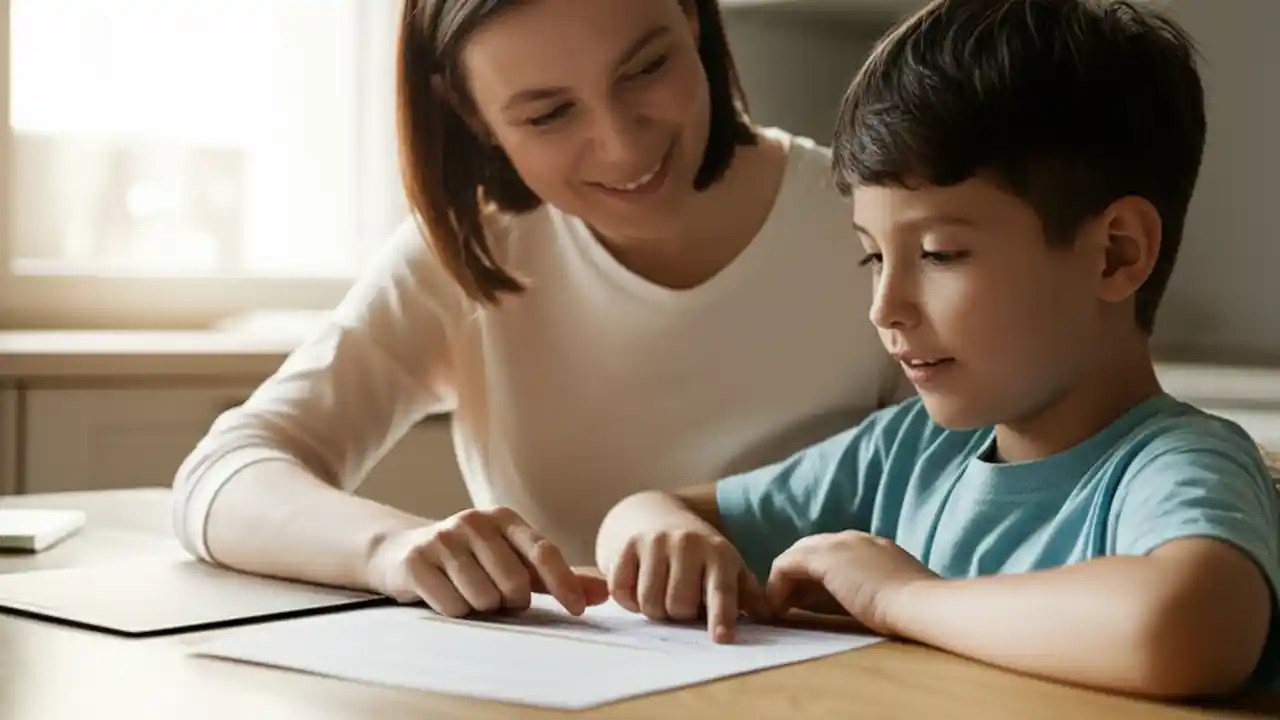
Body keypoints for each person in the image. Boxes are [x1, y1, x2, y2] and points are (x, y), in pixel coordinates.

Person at [596, 0, 1280, 698]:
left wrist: (900, 597)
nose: (884, 306)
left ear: (1115, 254)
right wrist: (660, 537)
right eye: (873, 257)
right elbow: (652, 510)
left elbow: (1184, 628)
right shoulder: (907, 453)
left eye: (939, 254)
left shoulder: (1180, 466)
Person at [172, 0, 906, 620]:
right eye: (549, 114)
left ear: (690, 16)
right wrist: (391, 550)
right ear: (471, 113)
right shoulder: (472, 253)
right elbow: (224, 476)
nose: (622, 146)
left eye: (646, 69)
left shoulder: (879, 229)